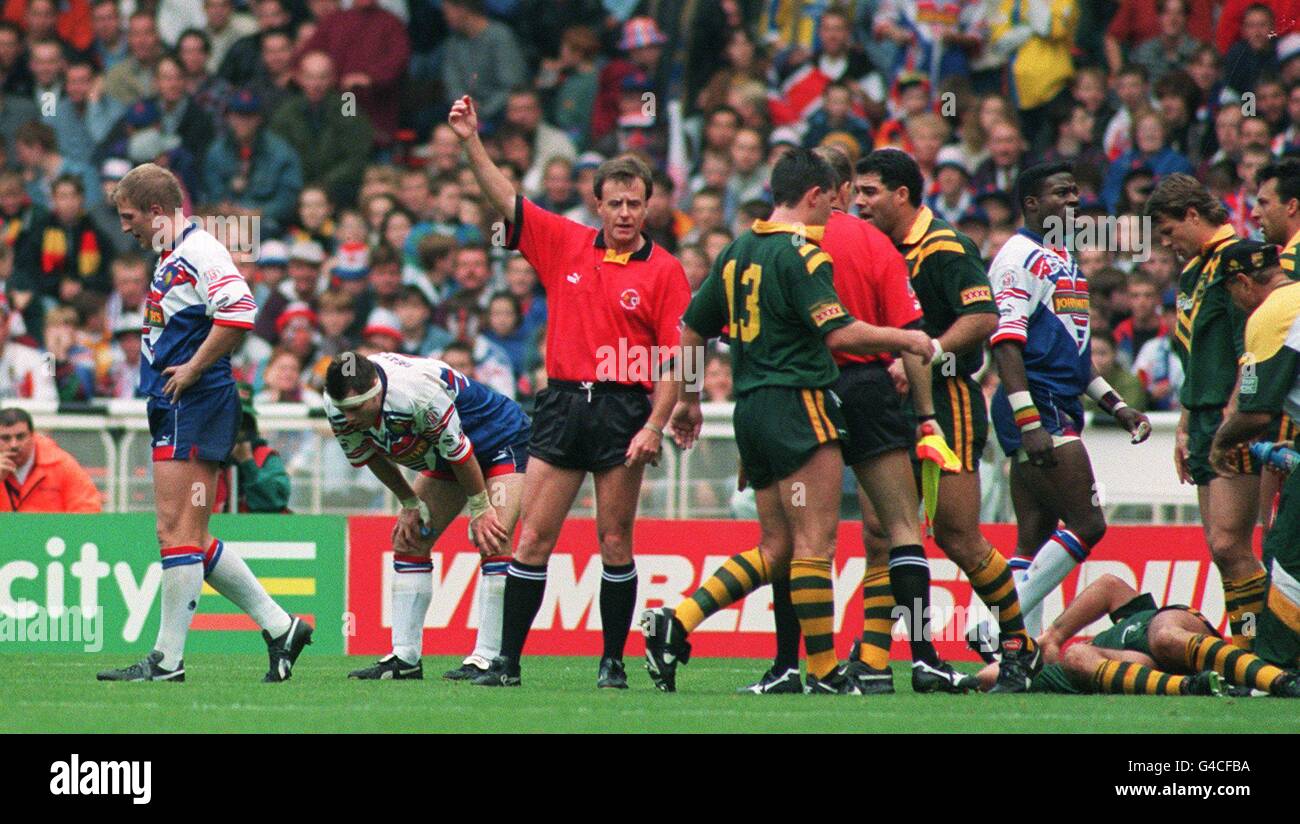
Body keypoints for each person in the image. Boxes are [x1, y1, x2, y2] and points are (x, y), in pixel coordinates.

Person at [640, 147, 935, 694]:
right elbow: (840, 334)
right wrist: (905, 338)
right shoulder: (800, 253)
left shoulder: (735, 250)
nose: (835, 213)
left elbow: (690, 329)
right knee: (815, 546)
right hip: (797, 405)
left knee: (777, 547)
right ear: (814, 195)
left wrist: (689, 397)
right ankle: (823, 672)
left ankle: (676, 620)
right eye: (831, 201)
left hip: (752, 413)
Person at [449, 94, 690, 689]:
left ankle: (612, 662)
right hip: (561, 403)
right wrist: (469, 140)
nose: (626, 213)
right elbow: (504, 197)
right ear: (597, 204)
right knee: (532, 536)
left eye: (635, 203)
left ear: (649, 205)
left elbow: (677, 359)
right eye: (616, 203)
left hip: (622, 408)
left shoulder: (666, 271)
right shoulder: (565, 242)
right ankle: (507, 662)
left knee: (614, 539)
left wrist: (655, 424)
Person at [742, 146, 974, 696]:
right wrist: (924, 416)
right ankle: (920, 658)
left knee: (801, 541)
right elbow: (910, 339)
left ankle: (788, 666)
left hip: (796, 396)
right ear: (839, 189)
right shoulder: (874, 244)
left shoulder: (758, 248)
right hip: (867, 389)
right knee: (898, 528)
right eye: (860, 190)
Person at [96, 163, 312, 684]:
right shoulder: (175, 252)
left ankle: (168, 660)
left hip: (194, 400)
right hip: (178, 400)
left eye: (129, 217)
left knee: (175, 531)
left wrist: (193, 368)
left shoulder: (200, 250)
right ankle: (280, 627)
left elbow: (239, 311)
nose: (126, 228)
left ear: (156, 211)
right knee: (189, 533)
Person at [855, 148, 1043, 691]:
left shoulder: (944, 246)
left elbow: (983, 316)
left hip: (948, 401)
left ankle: (1017, 645)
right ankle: (876, 659)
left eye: (869, 192)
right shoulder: (873, 247)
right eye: (856, 192)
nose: (859, 202)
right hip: (886, 405)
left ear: (902, 195)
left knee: (958, 535)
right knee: (879, 535)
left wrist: (926, 351)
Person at [987, 162, 1151, 675]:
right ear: (1032, 204)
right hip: (1037, 404)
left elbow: (1077, 358)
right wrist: (1029, 420)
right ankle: (995, 627)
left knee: (1033, 535)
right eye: (1061, 194)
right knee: (1088, 523)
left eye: (1077, 192)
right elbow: (1006, 345)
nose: (1074, 202)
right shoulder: (1018, 257)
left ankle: (1019, 656)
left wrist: (1116, 405)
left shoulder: (1064, 257)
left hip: (1056, 399)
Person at [324, 351, 529, 682]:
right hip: (446, 453)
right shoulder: (336, 404)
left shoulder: (416, 393)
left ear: (376, 389)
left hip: (499, 438)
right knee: (410, 540)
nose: (349, 418)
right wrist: (407, 501)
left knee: (494, 539)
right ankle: (405, 657)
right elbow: (369, 454)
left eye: (357, 408)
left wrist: (480, 507)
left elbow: (461, 452)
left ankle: (488, 657)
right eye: (344, 410)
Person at [1147, 172, 1269, 650]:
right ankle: (1246, 652)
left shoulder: (1237, 261)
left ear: (1192, 215)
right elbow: (1195, 355)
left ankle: (1262, 650)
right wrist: (1183, 425)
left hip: (1225, 417)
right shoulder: (1195, 271)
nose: (1166, 242)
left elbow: (1251, 347)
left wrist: (1233, 414)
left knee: (1230, 543)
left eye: (1169, 230)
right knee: (1219, 549)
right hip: (1198, 416)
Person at [974, 574, 1297, 696]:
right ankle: (1190, 687)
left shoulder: (1122, 620)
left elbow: (1109, 586)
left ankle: (1278, 680)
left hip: (1166, 624)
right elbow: (990, 676)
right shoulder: (1062, 670)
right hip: (1136, 667)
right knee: (1078, 656)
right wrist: (1019, 666)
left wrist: (1053, 636)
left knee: (1166, 638)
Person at [1210, 240, 1300, 669]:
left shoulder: (1269, 314)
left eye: (1230, 291)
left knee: (1287, 552)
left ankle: (1277, 664)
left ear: (1243, 282)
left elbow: (1256, 412)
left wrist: (1221, 441)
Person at [0, 406, 101, 512]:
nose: (14, 445)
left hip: (55, 528)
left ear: (32, 436)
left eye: (20, 437)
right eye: (6, 438)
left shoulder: (61, 465)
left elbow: (89, 511)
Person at [213, 383, 290, 513]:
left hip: (256, 531)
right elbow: (194, 505)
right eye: (231, 420)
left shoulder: (266, 458)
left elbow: (276, 502)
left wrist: (248, 463)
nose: (237, 430)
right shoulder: (204, 460)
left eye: (243, 422)